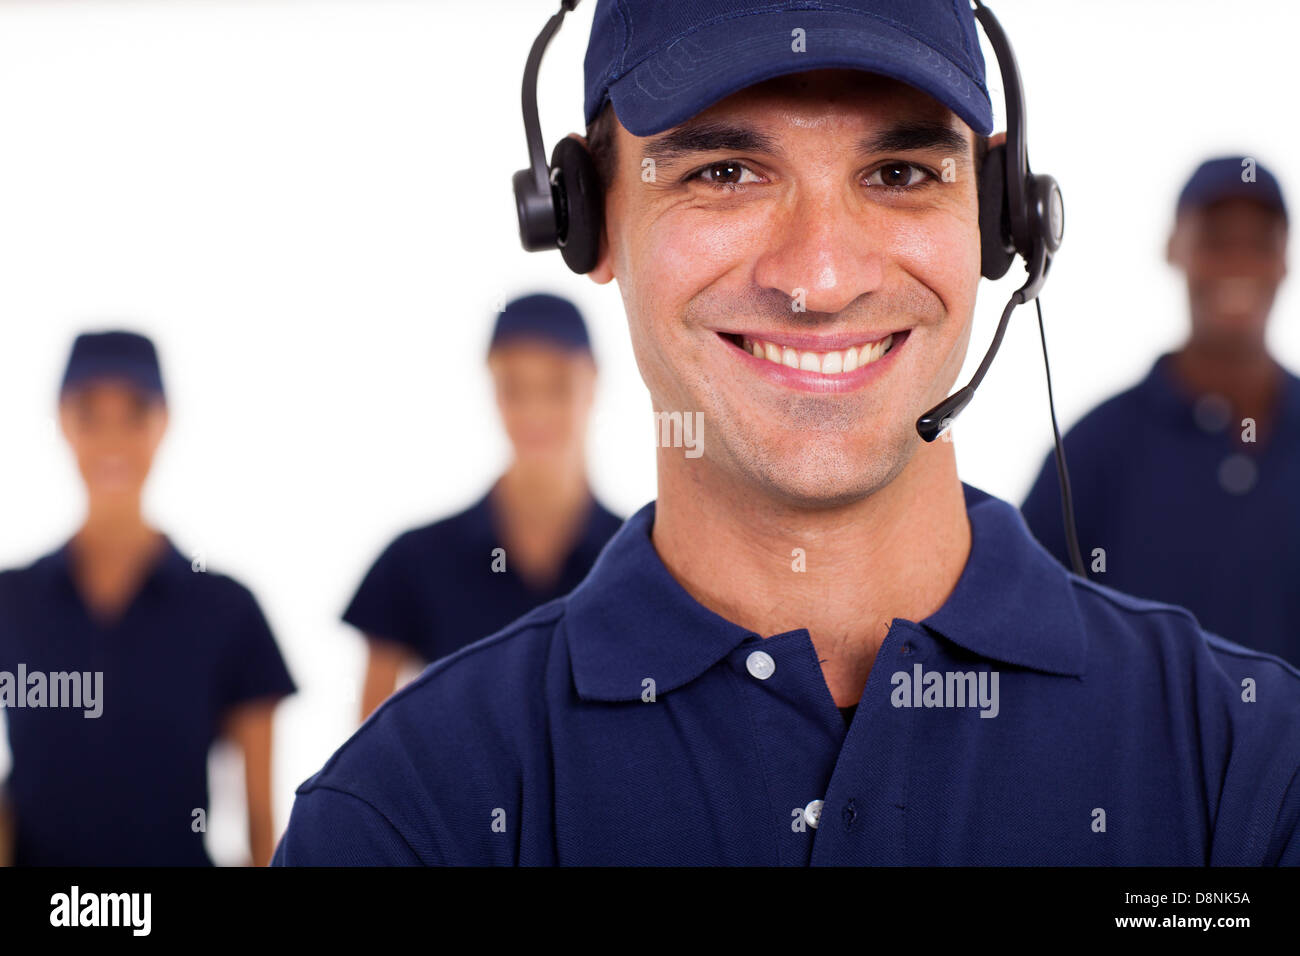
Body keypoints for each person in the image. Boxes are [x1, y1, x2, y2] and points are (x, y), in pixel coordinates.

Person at [273, 0, 1300, 865]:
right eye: (723, 171)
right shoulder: (405, 816)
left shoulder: (1251, 770)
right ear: (583, 214)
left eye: (899, 171)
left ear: (998, 217)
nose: (820, 275)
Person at [0, 330, 296, 866]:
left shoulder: (228, 610)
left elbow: (260, 825)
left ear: (163, 423)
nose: (112, 436)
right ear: (63, 422)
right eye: (90, 413)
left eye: (134, 412)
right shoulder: (10, 602)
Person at [1023, 156, 1300, 665]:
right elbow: (1022, 623)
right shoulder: (1096, 450)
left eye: (1260, 243)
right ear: (1176, 250)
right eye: (1216, 240)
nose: (1238, 260)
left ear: (1284, 259)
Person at [346, 293, 623, 720]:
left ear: (594, 381)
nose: (535, 409)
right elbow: (368, 755)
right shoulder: (415, 560)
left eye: (556, 385)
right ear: (491, 384)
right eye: (514, 387)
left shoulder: (642, 558)